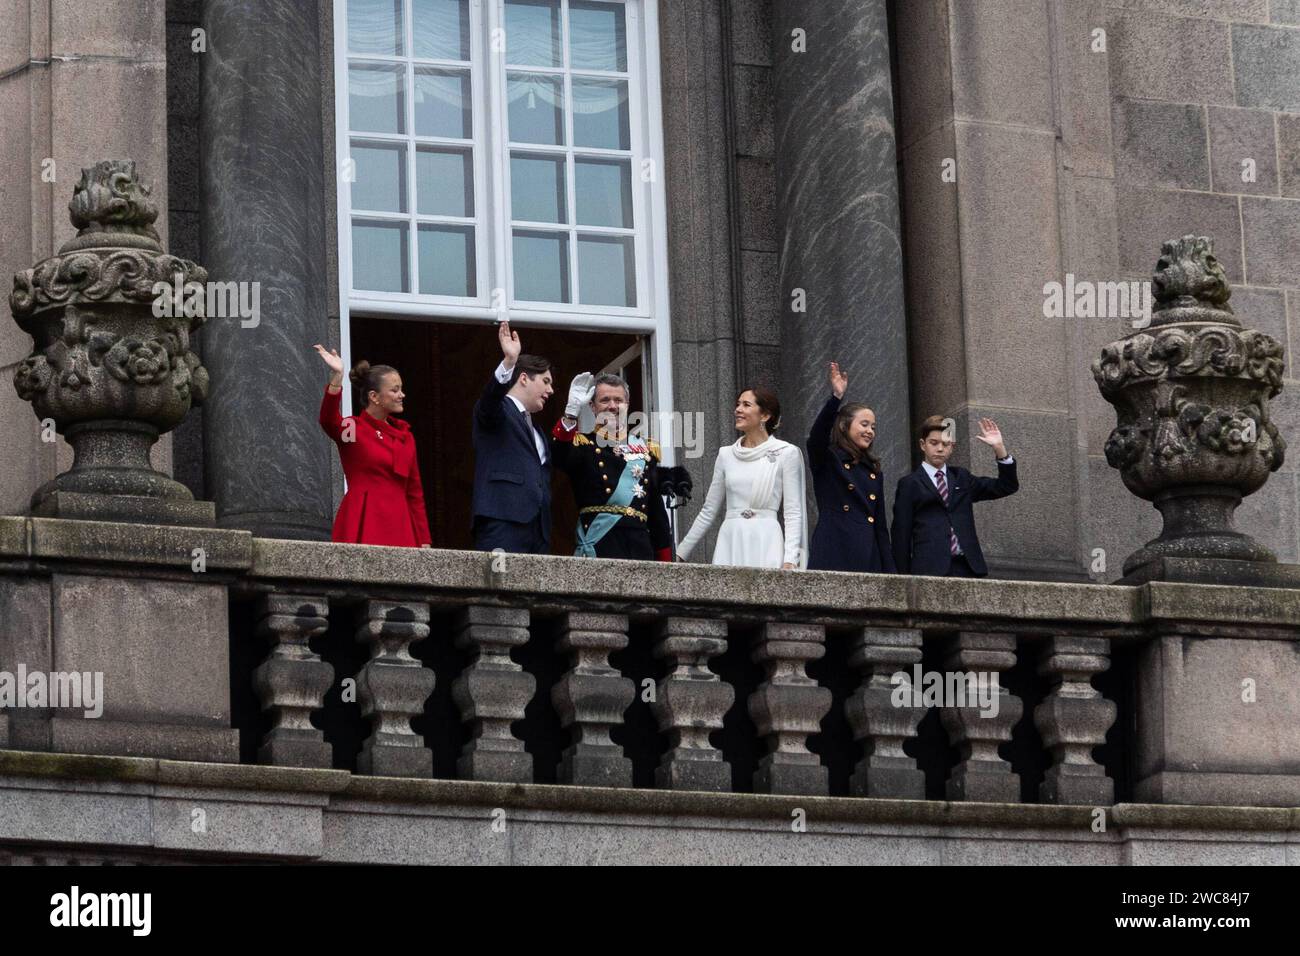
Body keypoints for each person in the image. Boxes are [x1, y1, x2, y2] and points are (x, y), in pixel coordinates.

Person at [313, 345, 431, 548]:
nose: (402, 395)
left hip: (401, 524)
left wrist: (424, 540)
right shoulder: (353, 428)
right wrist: (337, 377)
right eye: (394, 390)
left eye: (401, 389)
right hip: (364, 518)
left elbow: (414, 492)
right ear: (374, 397)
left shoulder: (405, 437)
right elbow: (328, 420)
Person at [677, 386, 807, 569]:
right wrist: (680, 553)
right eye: (738, 404)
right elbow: (709, 511)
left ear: (765, 416)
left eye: (746, 405)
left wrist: (790, 560)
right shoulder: (726, 455)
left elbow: (793, 512)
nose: (738, 409)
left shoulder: (786, 453)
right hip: (731, 539)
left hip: (766, 539)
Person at [551, 371, 673, 560]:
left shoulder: (646, 450)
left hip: (639, 550)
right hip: (600, 545)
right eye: (605, 400)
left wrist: (666, 562)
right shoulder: (583, 445)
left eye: (619, 400)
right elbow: (558, 457)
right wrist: (571, 414)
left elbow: (657, 514)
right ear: (592, 406)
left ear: (627, 404)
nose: (613, 406)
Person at [892, 414, 1019, 577]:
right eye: (934, 443)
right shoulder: (909, 483)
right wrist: (902, 577)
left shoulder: (961, 477)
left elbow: (1006, 486)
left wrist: (999, 448)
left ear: (952, 447)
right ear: (923, 445)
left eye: (945, 444)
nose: (939, 449)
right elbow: (901, 534)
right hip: (928, 569)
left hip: (967, 567)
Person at [470, 321, 556, 554]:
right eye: (545, 381)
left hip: (538, 529)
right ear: (524, 378)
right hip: (502, 520)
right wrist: (508, 362)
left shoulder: (537, 430)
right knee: (499, 589)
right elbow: (489, 402)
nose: (551, 391)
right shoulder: (498, 411)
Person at [806, 362, 893, 573]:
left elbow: (880, 527)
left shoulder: (873, 471)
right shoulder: (828, 458)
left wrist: (891, 573)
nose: (870, 431)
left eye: (873, 427)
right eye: (864, 424)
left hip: (868, 556)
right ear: (845, 426)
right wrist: (836, 398)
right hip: (834, 549)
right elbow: (815, 438)